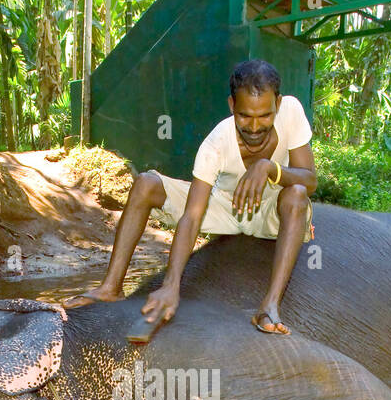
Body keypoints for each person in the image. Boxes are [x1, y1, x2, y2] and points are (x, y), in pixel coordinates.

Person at [65, 58, 316, 339]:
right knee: (147, 183)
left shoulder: (291, 111)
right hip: (227, 207)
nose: (255, 127)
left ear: (278, 104)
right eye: (245, 116)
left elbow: (310, 179)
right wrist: (172, 285)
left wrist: (270, 168)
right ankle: (110, 287)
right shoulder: (216, 143)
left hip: (272, 210)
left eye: (265, 116)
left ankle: (269, 306)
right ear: (232, 106)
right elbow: (193, 215)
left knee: (296, 193)